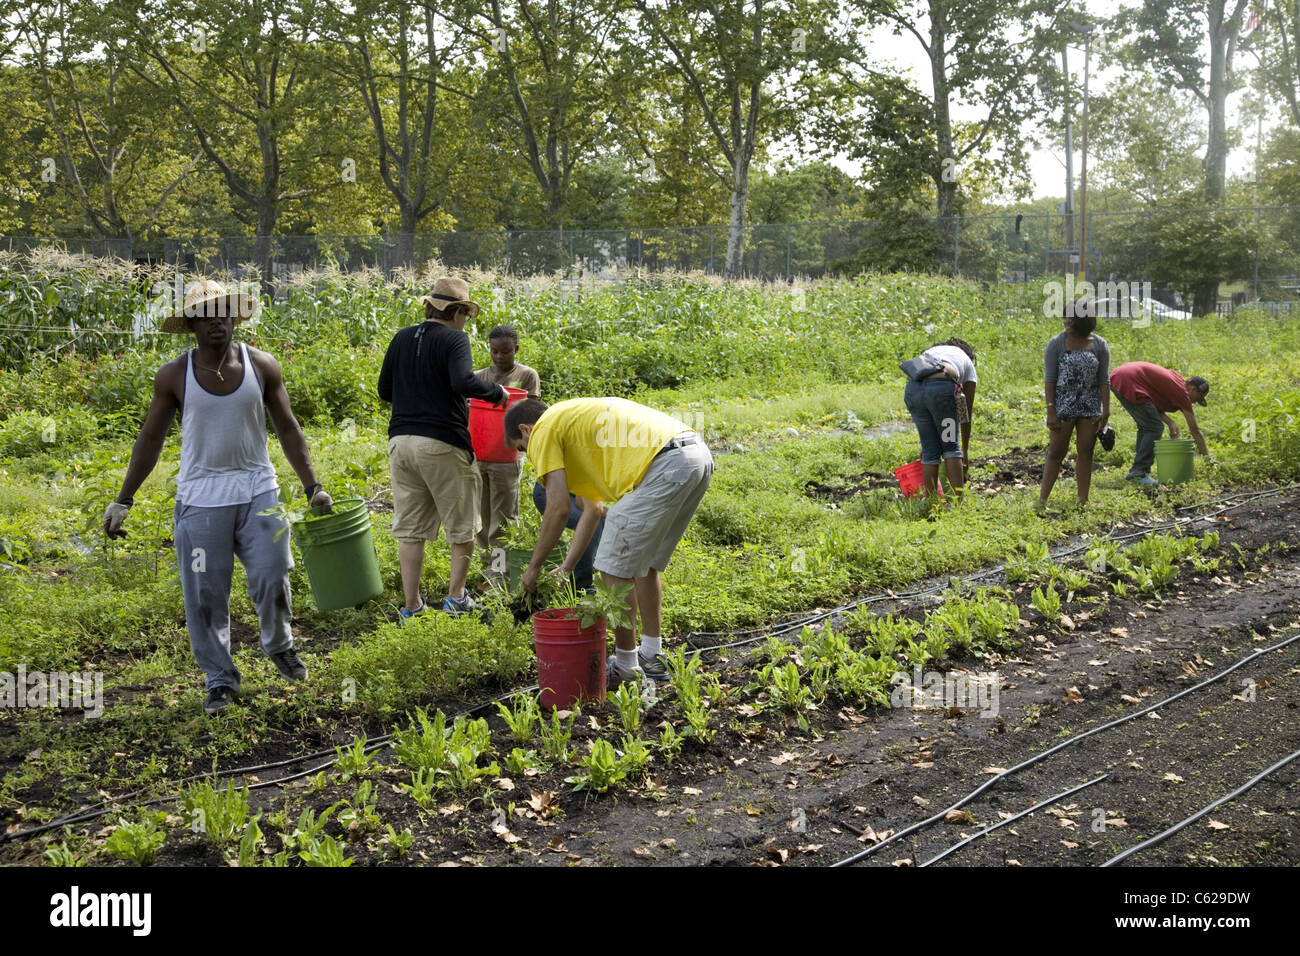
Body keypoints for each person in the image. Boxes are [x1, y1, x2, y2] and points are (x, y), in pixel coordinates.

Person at [102, 280, 330, 716]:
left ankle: (280, 645)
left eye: (223, 314)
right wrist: (124, 498)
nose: (217, 324)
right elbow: (151, 437)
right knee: (205, 593)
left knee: (273, 571)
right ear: (191, 324)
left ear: (233, 318)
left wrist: (312, 485)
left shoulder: (260, 365)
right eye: (206, 317)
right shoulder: (174, 375)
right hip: (201, 501)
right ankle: (220, 679)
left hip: (259, 492)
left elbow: (287, 427)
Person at [504, 397, 713, 686]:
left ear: (526, 430)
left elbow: (557, 508)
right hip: (695, 456)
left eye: (522, 448)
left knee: (614, 569)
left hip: (665, 464)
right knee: (646, 564)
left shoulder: (544, 429)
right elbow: (592, 511)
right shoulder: (574, 430)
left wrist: (533, 568)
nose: (530, 456)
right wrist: (566, 567)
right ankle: (652, 654)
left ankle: (627, 667)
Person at [378, 277, 508, 619]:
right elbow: (462, 381)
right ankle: (456, 597)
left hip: (400, 442)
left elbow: (384, 389)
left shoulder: (402, 338)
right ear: (457, 311)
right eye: (465, 313)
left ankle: (411, 606)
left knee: (410, 528)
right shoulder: (455, 338)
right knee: (462, 524)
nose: (466, 320)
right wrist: (497, 393)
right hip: (441, 443)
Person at [475, 325, 541, 556]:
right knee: (481, 516)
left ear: (516, 349)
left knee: (502, 519)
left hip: (507, 454)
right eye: (494, 351)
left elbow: (530, 413)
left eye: (506, 352)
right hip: (479, 454)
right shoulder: (479, 377)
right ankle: (487, 566)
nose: (499, 357)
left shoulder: (525, 376)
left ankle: (499, 572)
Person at [1038, 304, 1110, 510]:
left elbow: (1104, 380)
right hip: (1064, 406)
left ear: (1084, 320)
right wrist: (1050, 409)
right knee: (1056, 452)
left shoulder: (1099, 345)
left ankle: (1083, 501)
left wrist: (1106, 410)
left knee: (1086, 452)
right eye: (1065, 318)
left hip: (1090, 406)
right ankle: (1042, 501)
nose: (1066, 322)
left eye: (1071, 318)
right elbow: (1050, 379)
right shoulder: (1057, 343)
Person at [1109, 361, 1210, 486]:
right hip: (1128, 379)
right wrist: (1208, 460)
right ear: (1192, 389)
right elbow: (1195, 431)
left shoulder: (1177, 382)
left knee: (1146, 426)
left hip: (1121, 375)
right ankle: (1138, 473)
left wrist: (1170, 422)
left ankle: (1137, 472)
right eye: (1198, 398)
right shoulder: (1183, 393)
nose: (1195, 403)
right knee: (1154, 428)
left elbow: (1152, 402)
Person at [903, 337, 978, 497]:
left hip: (913, 390)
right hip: (941, 391)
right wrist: (964, 450)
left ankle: (932, 502)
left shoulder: (931, 352)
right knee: (950, 445)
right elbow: (965, 414)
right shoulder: (967, 363)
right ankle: (959, 503)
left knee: (929, 448)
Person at [530, 481, 605, 593]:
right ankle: (581, 588)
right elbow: (586, 505)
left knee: (598, 519)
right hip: (548, 492)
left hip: (575, 492)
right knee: (594, 522)